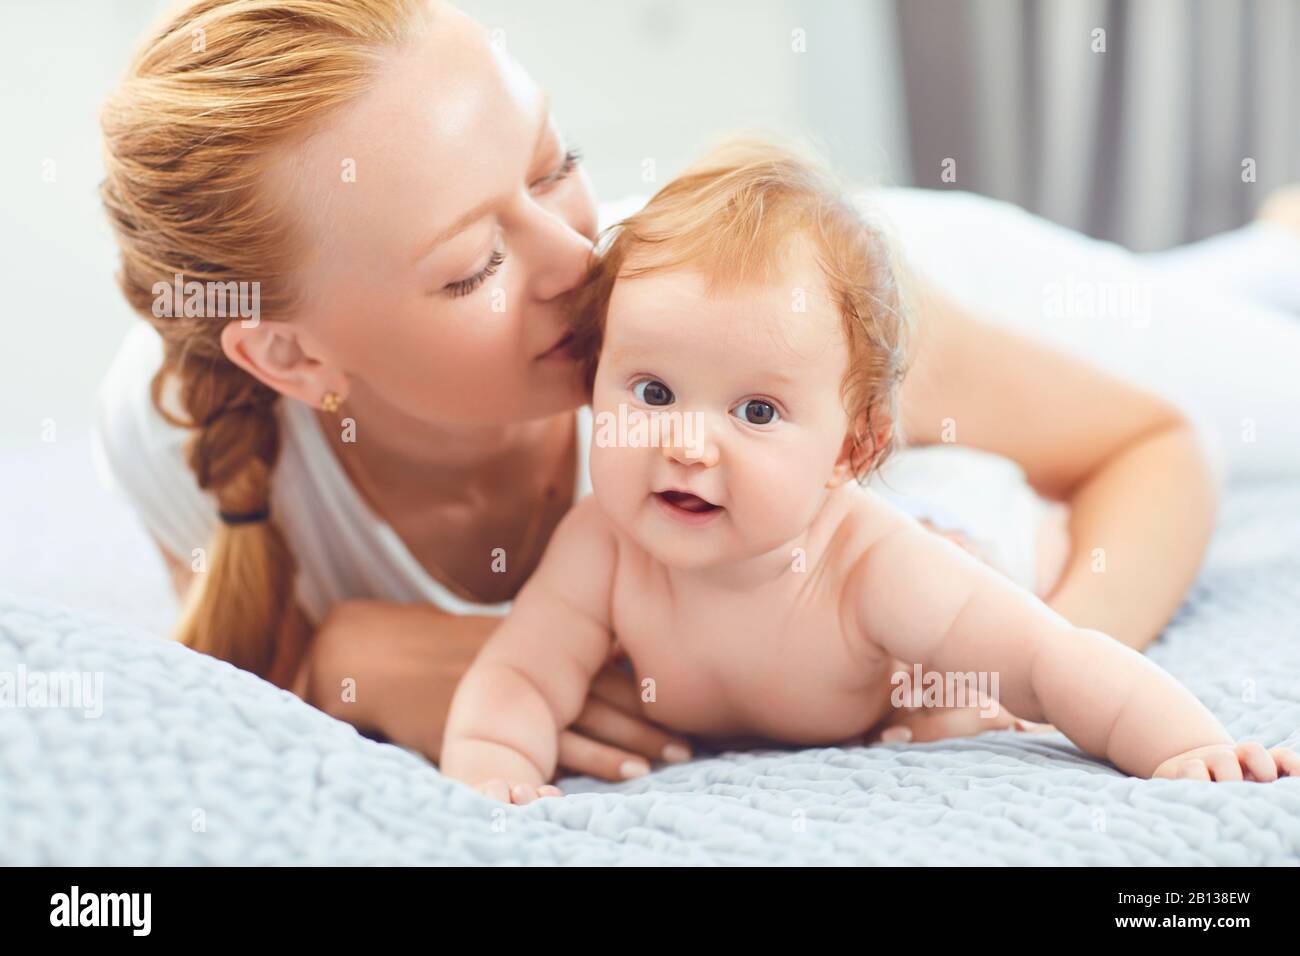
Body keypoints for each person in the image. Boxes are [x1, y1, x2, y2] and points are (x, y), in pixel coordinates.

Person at [95, 0, 1228, 782]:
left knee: (1246, 329)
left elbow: (1156, 443)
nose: (573, 262)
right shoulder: (179, 424)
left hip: (962, 273)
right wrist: (347, 658)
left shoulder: (743, 314)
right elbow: (251, 650)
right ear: (290, 361)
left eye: (551, 163)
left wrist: (1035, 666)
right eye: (472, 266)